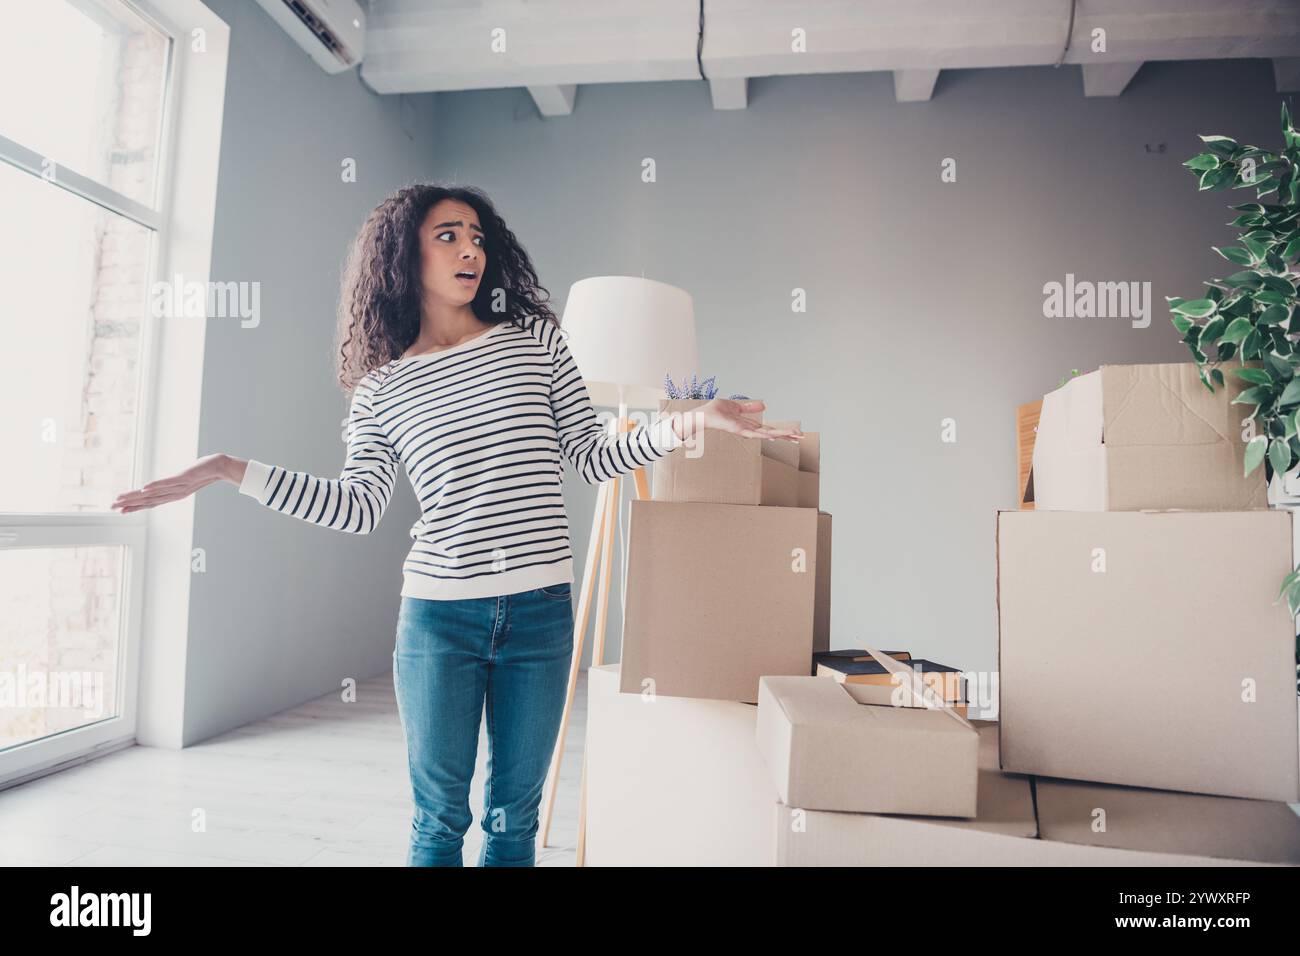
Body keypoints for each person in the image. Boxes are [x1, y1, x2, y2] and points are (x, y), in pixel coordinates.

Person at [111, 183, 801, 866]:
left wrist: (682, 425)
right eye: (448, 236)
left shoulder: (536, 342)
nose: (469, 248)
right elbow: (356, 506)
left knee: (513, 821)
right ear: (402, 257)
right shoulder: (382, 387)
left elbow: (591, 459)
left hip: (541, 615)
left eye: (476, 236)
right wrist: (230, 470)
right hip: (438, 621)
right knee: (439, 822)